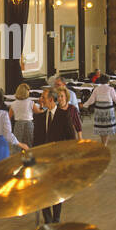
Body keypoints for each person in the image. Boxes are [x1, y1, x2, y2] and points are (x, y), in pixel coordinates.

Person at [35, 89, 78, 222]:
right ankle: (47, 217)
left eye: (43, 97)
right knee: (42, 190)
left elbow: (71, 138)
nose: (41, 100)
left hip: (58, 159)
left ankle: (56, 217)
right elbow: (36, 140)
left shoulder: (63, 115)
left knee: (56, 189)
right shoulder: (40, 117)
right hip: (42, 159)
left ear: (51, 100)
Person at [87, 73, 116, 146]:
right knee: (107, 128)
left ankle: (103, 143)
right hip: (107, 110)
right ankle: (104, 144)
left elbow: (91, 100)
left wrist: (84, 105)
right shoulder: (110, 89)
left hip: (99, 109)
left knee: (101, 127)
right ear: (108, 81)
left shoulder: (96, 89)